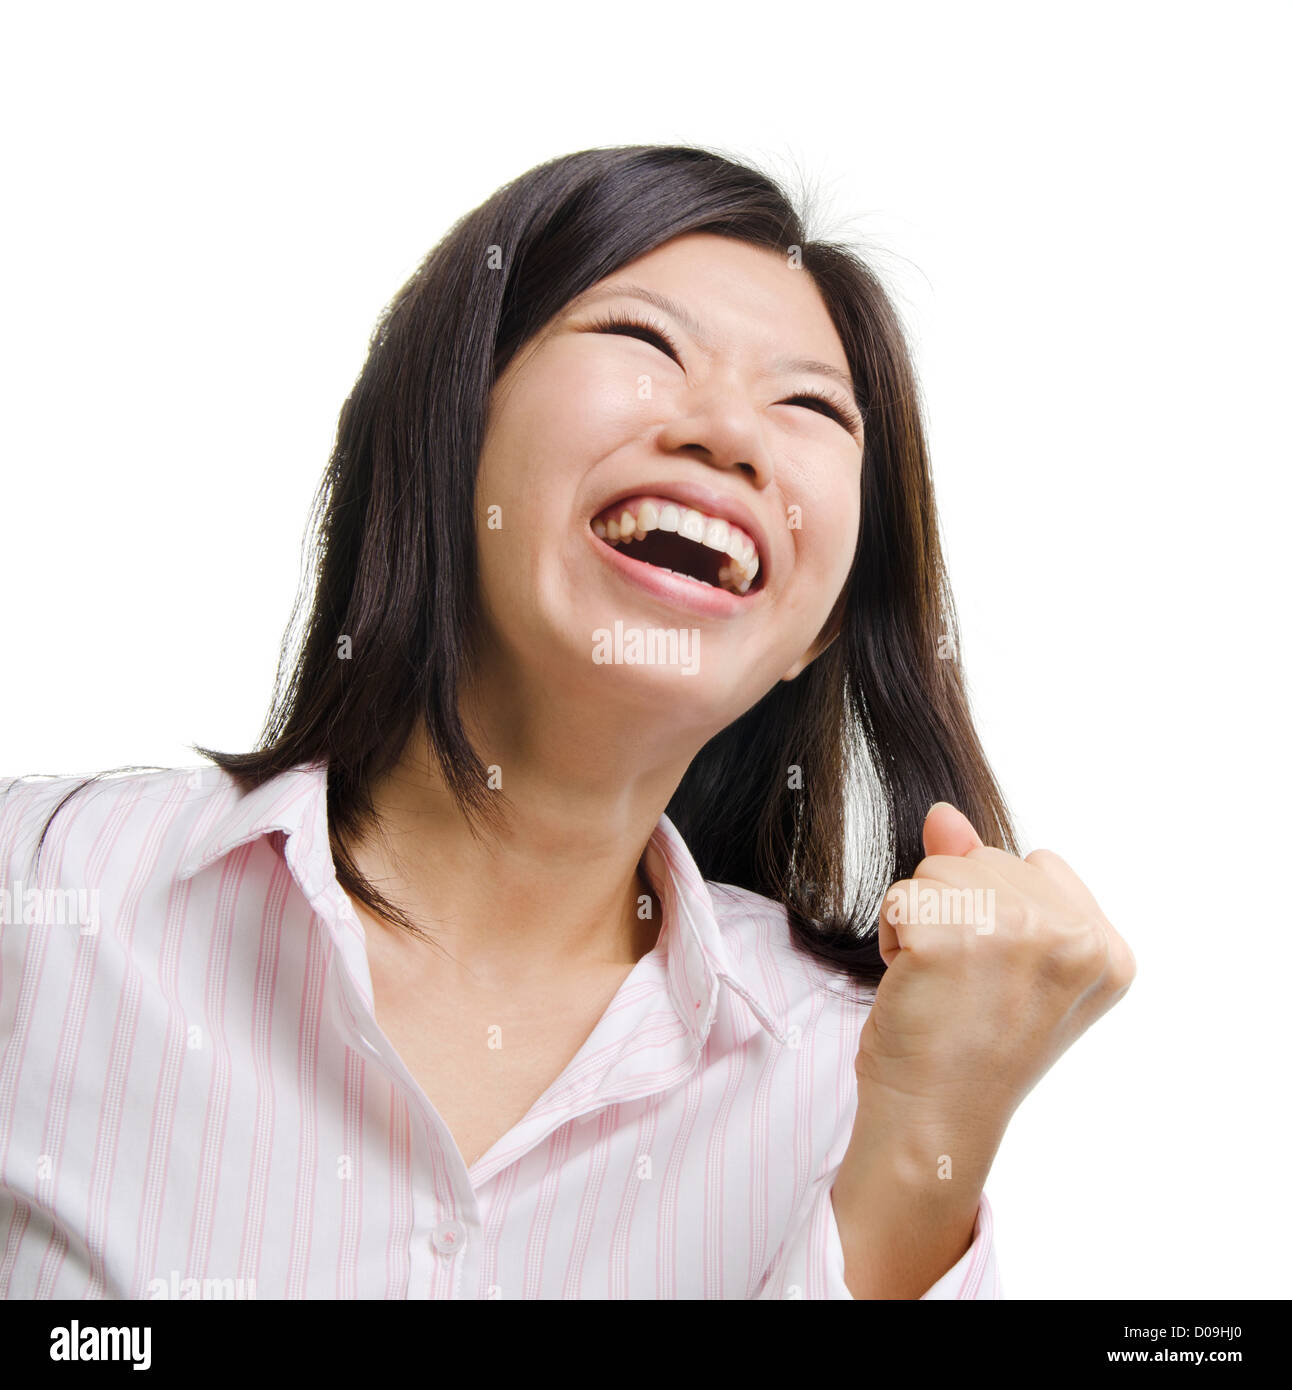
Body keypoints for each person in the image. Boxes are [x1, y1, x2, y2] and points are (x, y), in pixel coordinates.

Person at [0, 143, 1135, 1300]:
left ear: (818, 629)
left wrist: (917, 1148)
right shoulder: (44, 894)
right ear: (451, 432)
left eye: (806, 407)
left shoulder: (866, 1068)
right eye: (644, 344)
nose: (730, 436)